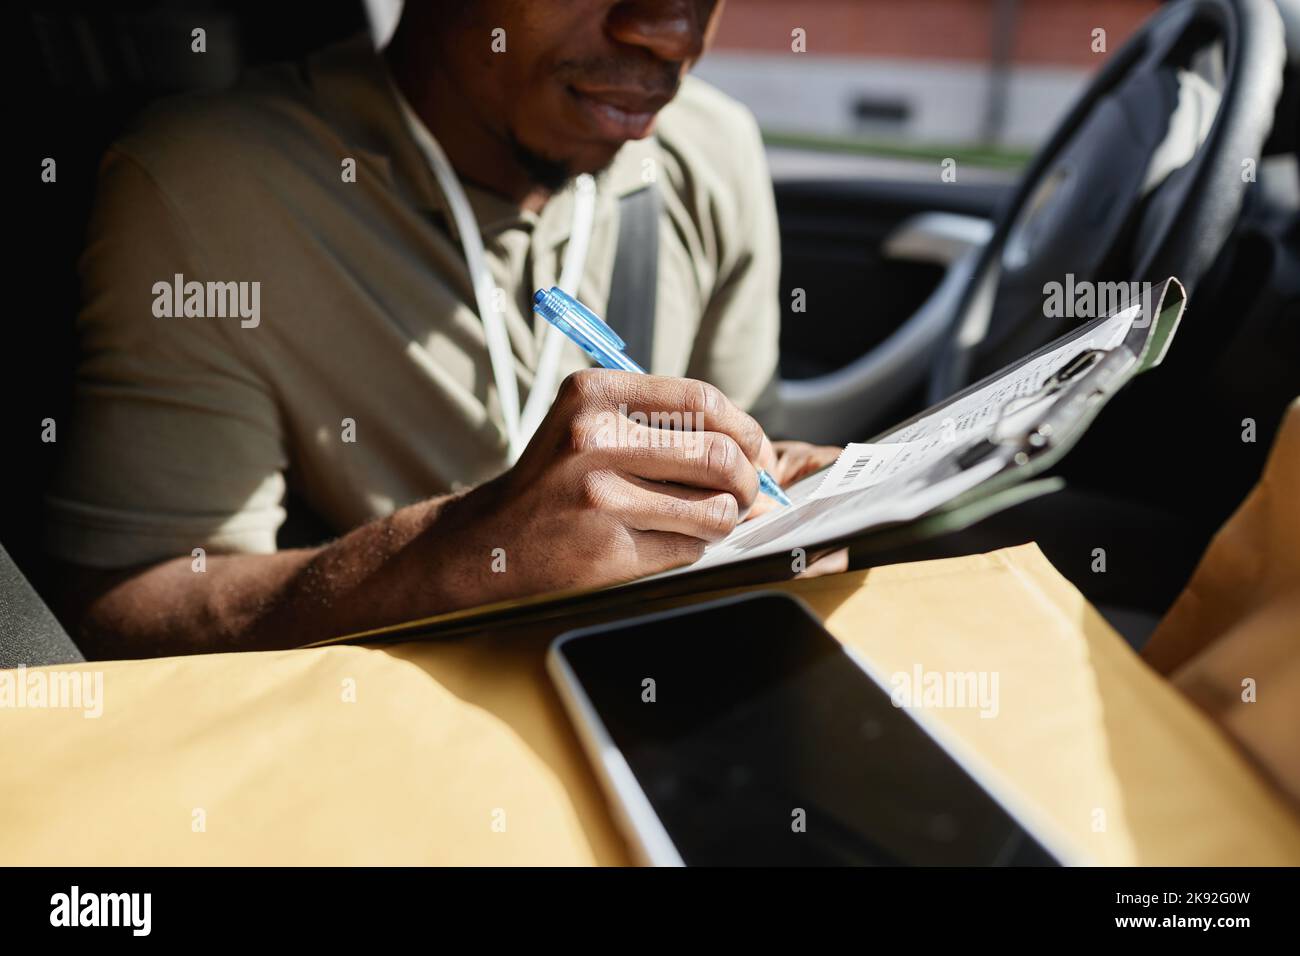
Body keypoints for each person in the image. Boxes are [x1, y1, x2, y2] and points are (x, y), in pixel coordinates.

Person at [44, 0, 841, 657]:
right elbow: (121, 610)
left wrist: (781, 514)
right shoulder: (207, 187)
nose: (670, 31)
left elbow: (739, 471)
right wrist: (459, 553)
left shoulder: (713, 150)